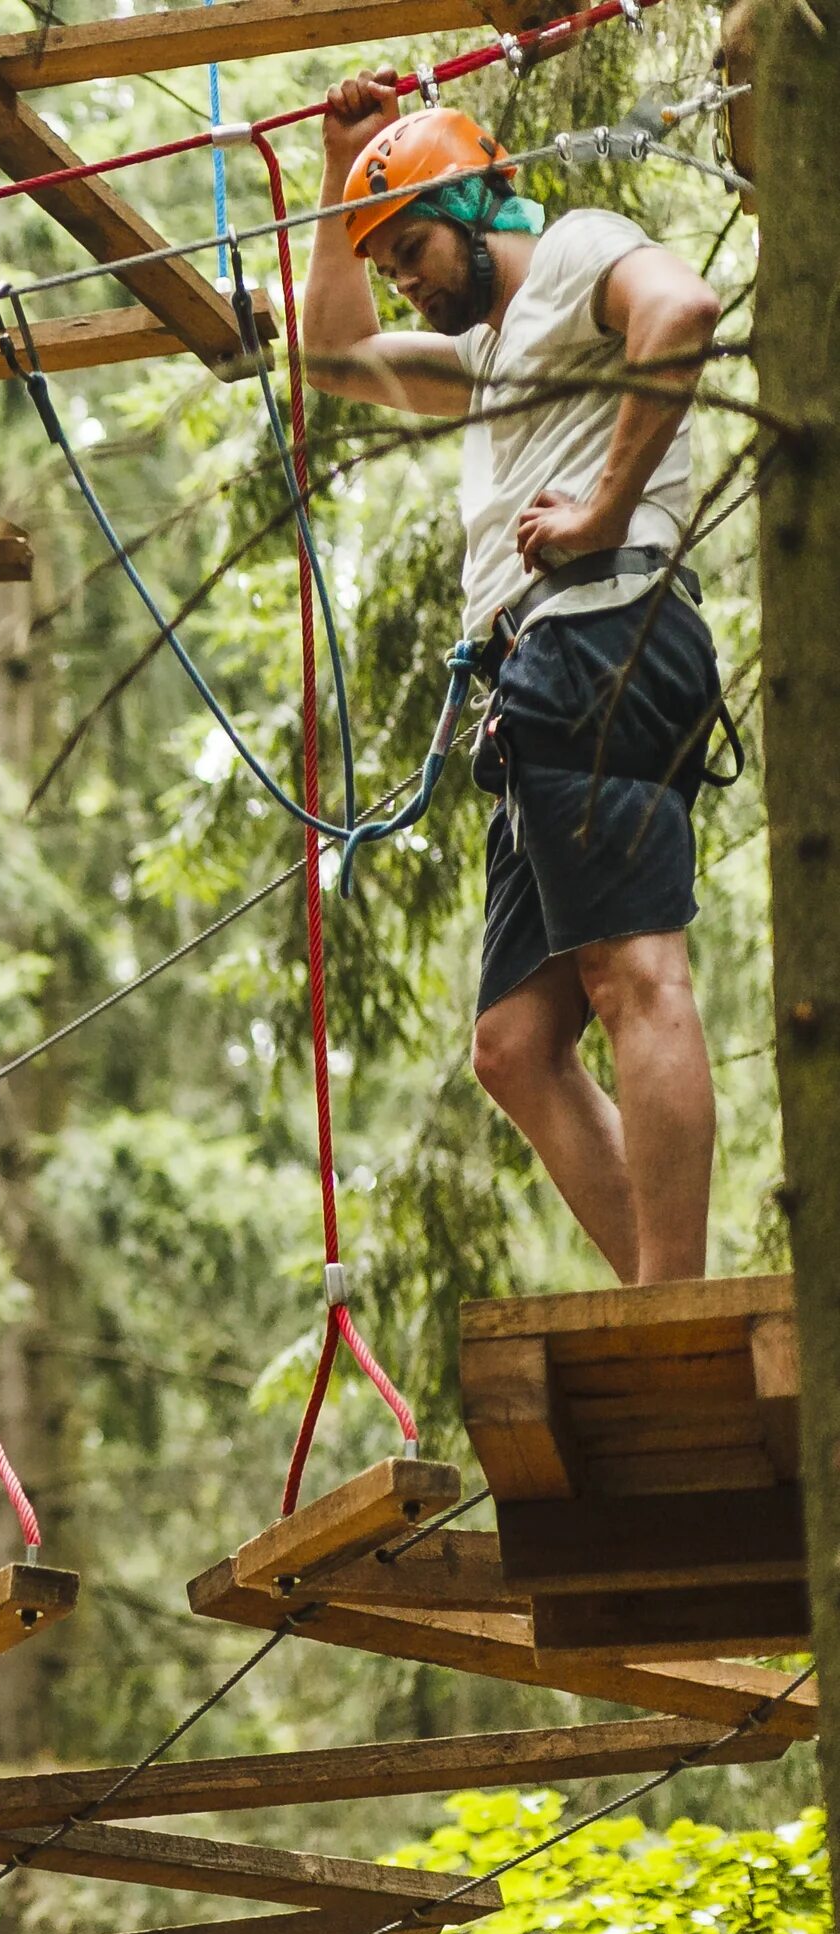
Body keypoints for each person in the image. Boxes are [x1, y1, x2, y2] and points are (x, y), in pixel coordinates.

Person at [303, 80, 728, 1286]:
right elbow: (331, 359)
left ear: (479, 200)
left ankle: (673, 1306)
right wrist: (346, 180)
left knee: (633, 971)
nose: (409, 285)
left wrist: (602, 510)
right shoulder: (489, 359)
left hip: (605, 635)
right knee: (515, 1043)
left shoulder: (577, 251)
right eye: (389, 268)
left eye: (417, 250)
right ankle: (664, 1289)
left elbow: (684, 307)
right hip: (548, 673)